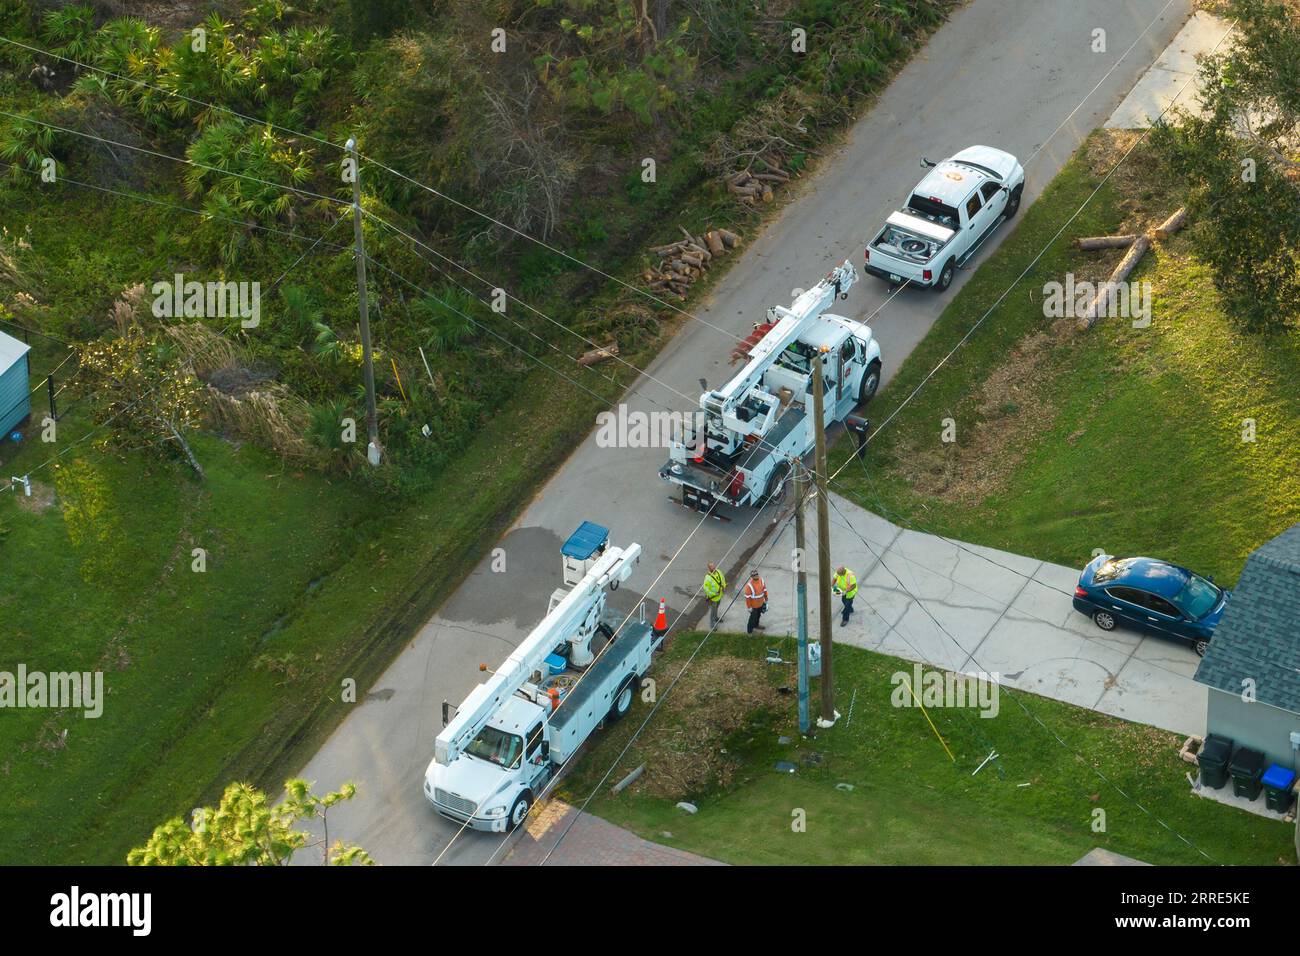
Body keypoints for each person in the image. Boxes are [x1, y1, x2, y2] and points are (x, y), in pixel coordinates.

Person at [702, 562, 727, 628]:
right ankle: (712, 623)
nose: (714, 567)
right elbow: (706, 589)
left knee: (716, 608)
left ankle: (716, 618)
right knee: (713, 611)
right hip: (713, 598)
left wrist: (724, 586)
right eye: (711, 567)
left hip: (719, 595)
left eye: (714, 566)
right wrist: (714, 594)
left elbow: (723, 579)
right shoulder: (708, 578)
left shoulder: (719, 572)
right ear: (709, 568)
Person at [743, 569, 768, 634]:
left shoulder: (761, 581)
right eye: (754, 575)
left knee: (758, 616)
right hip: (753, 606)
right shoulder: (749, 586)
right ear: (751, 577)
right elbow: (747, 598)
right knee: (752, 619)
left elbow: (764, 590)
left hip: (761, 603)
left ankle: (756, 625)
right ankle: (749, 632)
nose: (756, 576)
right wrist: (749, 607)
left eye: (756, 574)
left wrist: (766, 598)